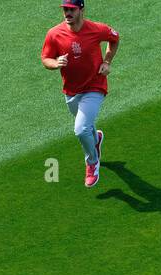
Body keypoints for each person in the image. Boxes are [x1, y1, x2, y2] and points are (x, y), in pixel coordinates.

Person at [41, 0, 120, 188]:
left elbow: (115, 39)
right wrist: (56, 63)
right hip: (71, 91)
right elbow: (45, 59)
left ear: (81, 9)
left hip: (95, 85)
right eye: (65, 9)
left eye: (71, 9)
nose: (67, 13)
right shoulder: (54, 34)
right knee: (86, 126)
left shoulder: (97, 29)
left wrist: (107, 61)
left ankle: (92, 162)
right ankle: (96, 139)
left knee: (80, 128)